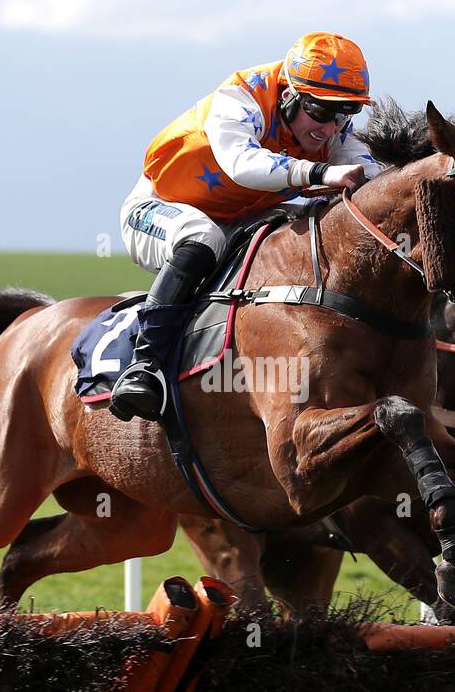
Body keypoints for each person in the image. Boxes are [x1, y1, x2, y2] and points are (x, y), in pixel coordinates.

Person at [110, 32, 382, 422]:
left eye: (343, 114)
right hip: (160, 207)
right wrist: (321, 172)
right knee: (203, 238)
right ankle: (145, 364)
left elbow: (369, 172)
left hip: (238, 216)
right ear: (288, 93)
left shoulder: (332, 127)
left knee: (302, 228)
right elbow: (242, 163)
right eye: (320, 111)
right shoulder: (240, 98)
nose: (328, 128)